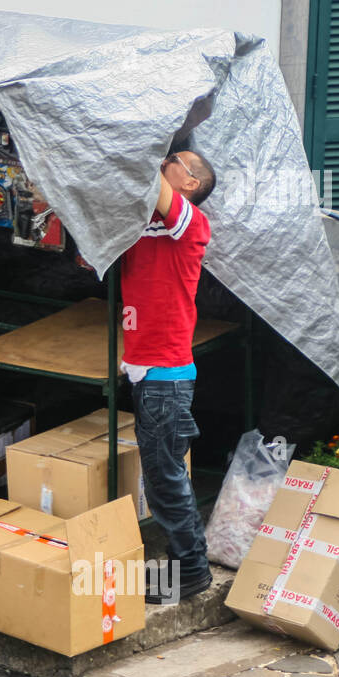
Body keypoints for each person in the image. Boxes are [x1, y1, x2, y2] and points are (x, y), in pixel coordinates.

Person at [120, 148, 216, 605]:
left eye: (173, 158)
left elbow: (147, 172)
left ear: (190, 182)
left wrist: (145, 141)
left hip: (165, 375)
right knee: (164, 477)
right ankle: (188, 566)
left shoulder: (190, 223)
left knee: (165, 479)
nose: (163, 160)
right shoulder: (149, 224)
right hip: (148, 372)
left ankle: (192, 571)